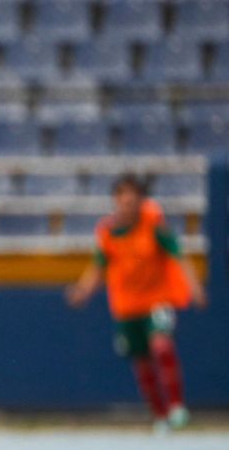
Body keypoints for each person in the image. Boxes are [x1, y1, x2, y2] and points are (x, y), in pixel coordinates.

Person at [67, 175, 207, 432]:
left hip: (157, 298)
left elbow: (178, 254)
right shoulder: (107, 232)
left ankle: (176, 405)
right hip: (128, 306)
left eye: (133, 200)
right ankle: (160, 415)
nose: (128, 205)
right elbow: (99, 267)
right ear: (116, 201)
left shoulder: (153, 223)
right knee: (141, 362)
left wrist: (194, 287)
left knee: (162, 345)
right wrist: (82, 292)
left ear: (141, 201)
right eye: (123, 199)